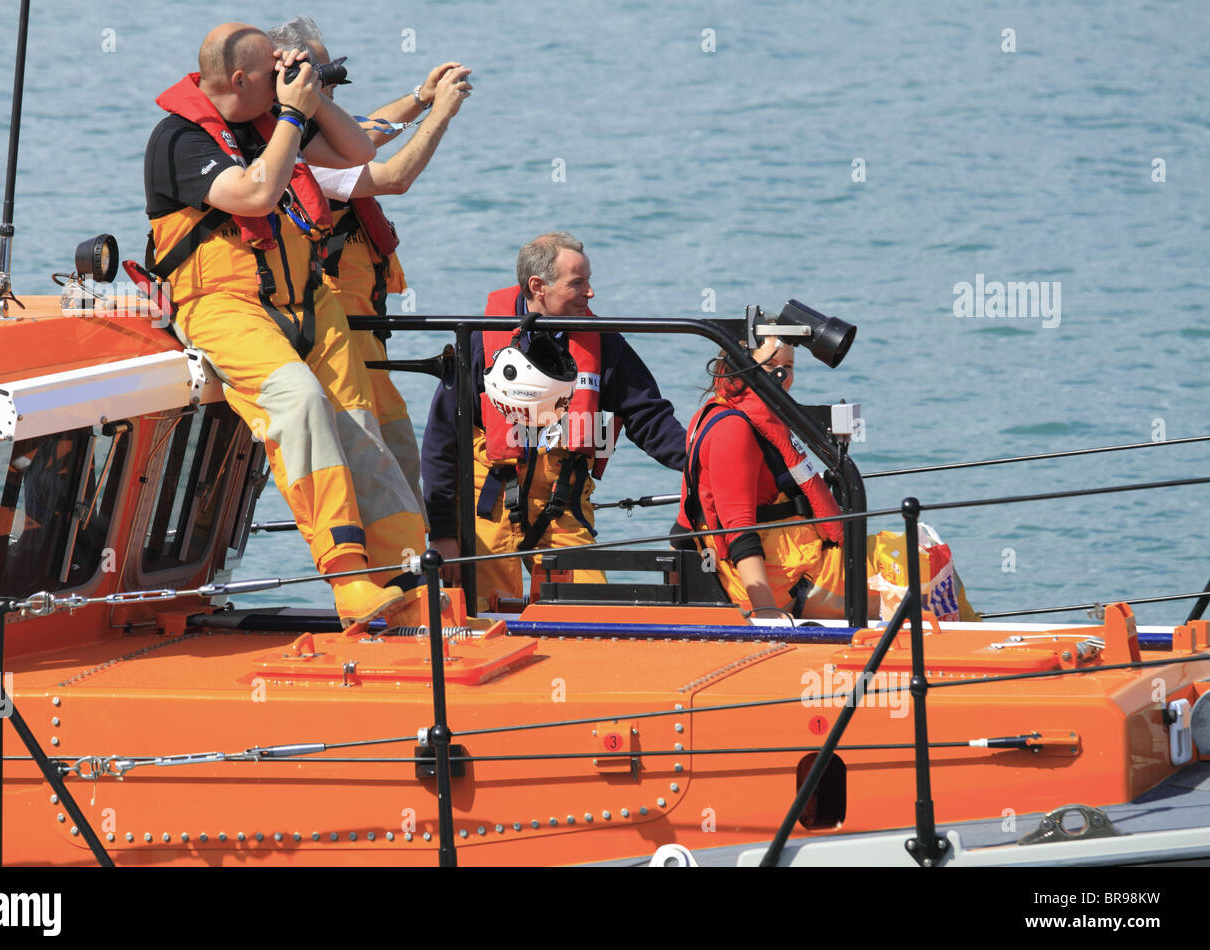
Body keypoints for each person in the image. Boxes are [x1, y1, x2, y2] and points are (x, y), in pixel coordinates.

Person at [142, 22, 427, 626]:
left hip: (306, 301)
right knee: (297, 402)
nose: (283, 83)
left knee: (360, 427)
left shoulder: (276, 119)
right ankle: (348, 575)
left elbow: (360, 152)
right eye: (272, 75)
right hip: (224, 307)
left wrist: (313, 97)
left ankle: (407, 576)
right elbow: (256, 195)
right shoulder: (178, 140)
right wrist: (294, 118)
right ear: (240, 78)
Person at [268, 16, 473, 512]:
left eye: (335, 75)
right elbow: (394, 177)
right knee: (382, 497)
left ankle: (415, 580)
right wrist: (440, 115)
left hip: (368, 351)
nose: (332, 85)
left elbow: (365, 132)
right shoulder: (293, 153)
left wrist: (420, 97)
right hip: (337, 355)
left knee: (405, 481)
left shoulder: (317, 141)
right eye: (325, 76)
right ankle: (389, 582)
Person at [421, 232, 689, 608]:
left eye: (589, 280)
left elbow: (650, 419)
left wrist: (704, 460)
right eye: (577, 283)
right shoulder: (480, 341)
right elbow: (440, 440)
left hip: (563, 510)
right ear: (538, 287)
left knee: (593, 615)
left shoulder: (604, 343)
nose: (590, 293)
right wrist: (444, 534)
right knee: (484, 616)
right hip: (488, 509)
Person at [674, 338, 979, 620]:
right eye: (771, 366)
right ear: (738, 367)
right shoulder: (733, 430)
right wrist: (765, 610)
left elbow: (683, 529)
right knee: (922, 570)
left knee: (923, 550)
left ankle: (967, 649)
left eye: (789, 367)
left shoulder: (728, 415)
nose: (783, 376)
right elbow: (738, 528)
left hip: (801, 561)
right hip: (785, 582)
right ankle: (961, 664)